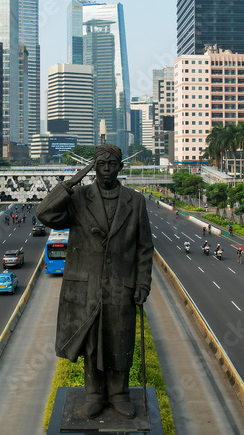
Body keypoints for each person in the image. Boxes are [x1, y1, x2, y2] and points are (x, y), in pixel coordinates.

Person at [36, 144, 154, 420]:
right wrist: (70, 184)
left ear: (121, 167)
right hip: (85, 288)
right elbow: (44, 214)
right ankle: (94, 395)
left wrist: (143, 284)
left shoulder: (135, 202)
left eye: (112, 164)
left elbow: (144, 248)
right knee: (92, 342)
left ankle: (120, 394)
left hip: (120, 286)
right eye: (101, 164)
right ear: (93, 168)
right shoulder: (78, 198)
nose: (107, 169)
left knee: (120, 339)